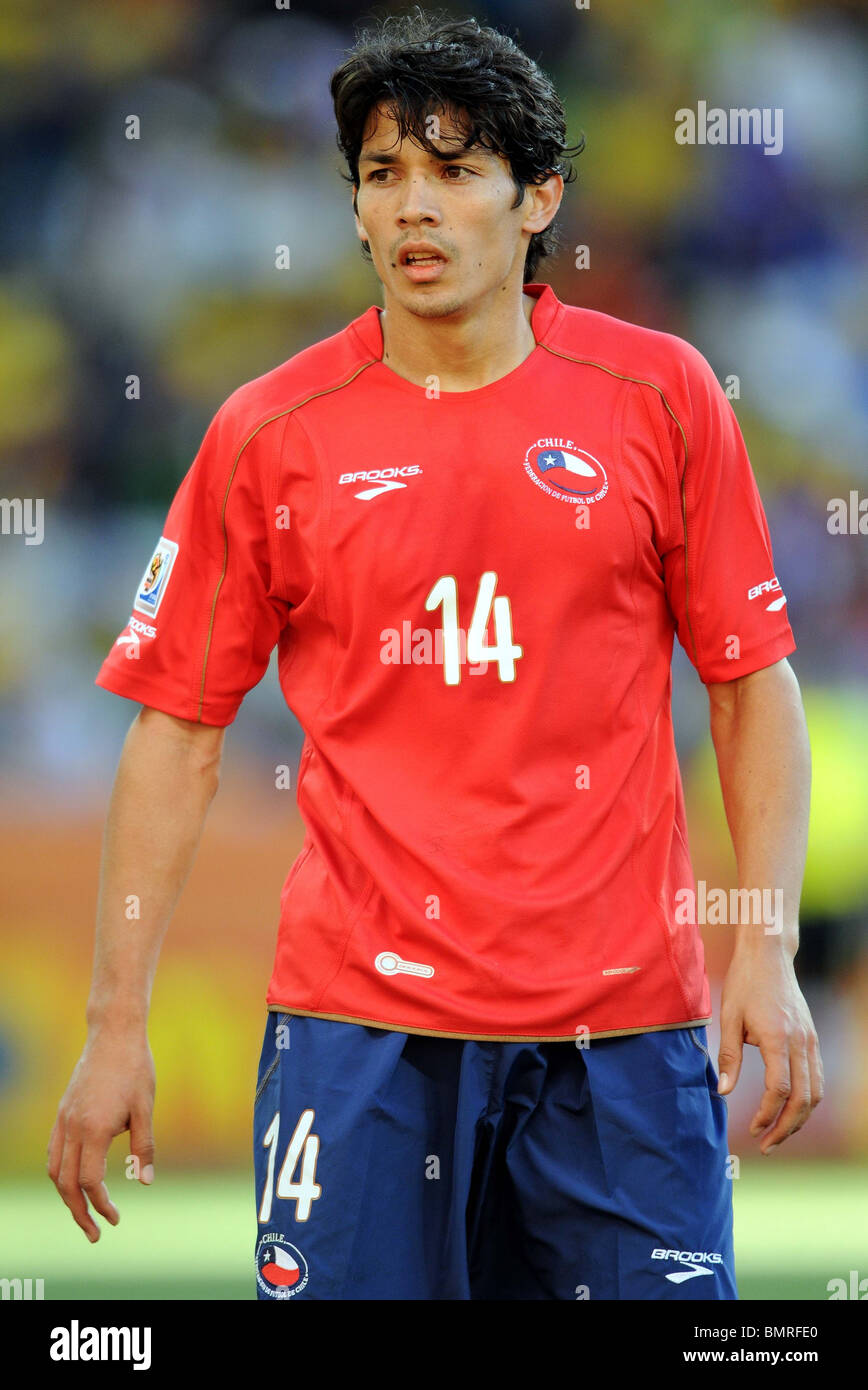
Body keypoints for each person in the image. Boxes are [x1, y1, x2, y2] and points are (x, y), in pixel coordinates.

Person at [48, 9, 823, 1300]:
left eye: (457, 172)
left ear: (539, 199)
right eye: (384, 173)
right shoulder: (269, 433)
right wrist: (112, 1024)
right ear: (353, 205)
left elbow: (751, 681)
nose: (416, 207)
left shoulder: (665, 398)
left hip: (619, 1036)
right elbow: (176, 731)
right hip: (359, 1038)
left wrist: (769, 947)